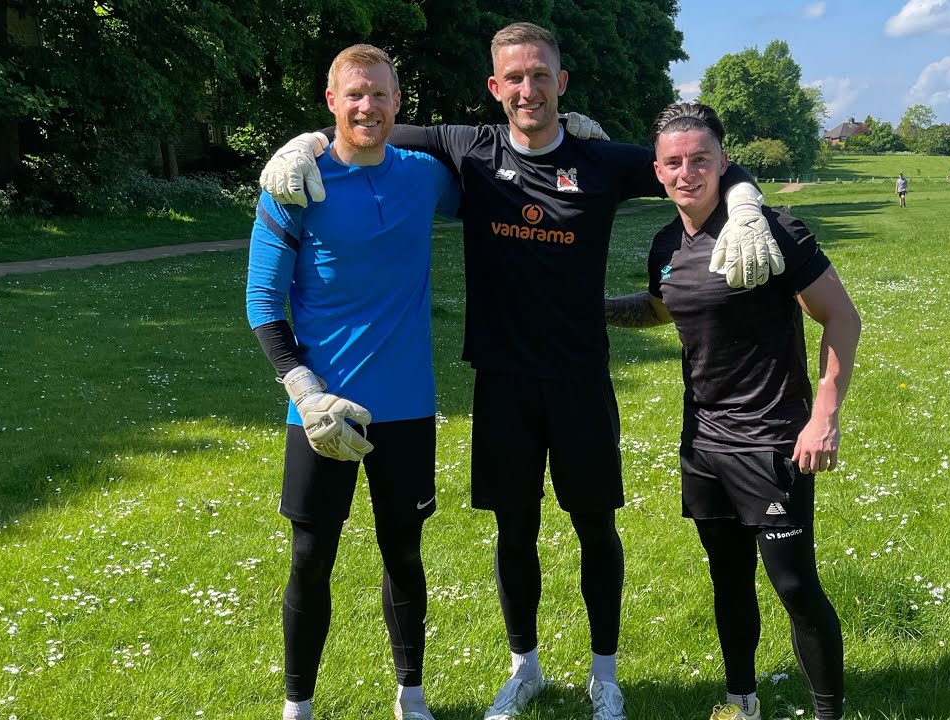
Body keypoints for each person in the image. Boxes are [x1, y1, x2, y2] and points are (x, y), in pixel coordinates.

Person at [257, 22, 786, 720]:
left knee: (595, 529)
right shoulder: (468, 148)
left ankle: (605, 675)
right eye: (515, 77)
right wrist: (304, 143)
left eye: (541, 76)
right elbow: (366, 124)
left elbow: (705, 161)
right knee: (514, 532)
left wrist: (744, 204)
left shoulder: (600, 160)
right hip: (502, 380)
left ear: (561, 84)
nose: (528, 88)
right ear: (495, 88)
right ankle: (525, 667)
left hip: (580, 378)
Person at [604, 103, 860, 720]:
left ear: (723, 161)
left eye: (699, 159)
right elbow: (666, 307)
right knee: (728, 580)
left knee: (795, 585)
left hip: (773, 438)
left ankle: (828, 712)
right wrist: (599, 308)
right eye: (674, 162)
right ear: (658, 172)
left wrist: (824, 414)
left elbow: (841, 317)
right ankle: (741, 699)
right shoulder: (667, 242)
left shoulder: (771, 231)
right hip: (704, 442)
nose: (686, 172)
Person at [245, 44, 460, 720]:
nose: (368, 106)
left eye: (380, 95)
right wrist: (302, 389)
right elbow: (261, 299)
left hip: (406, 407)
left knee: (404, 551)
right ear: (332, 101)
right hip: (322, 410)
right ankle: (298, 704)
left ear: (399, 103)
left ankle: (411, 695)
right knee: (311, 556)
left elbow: (506, 168)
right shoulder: (294, 183)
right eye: (354, 94)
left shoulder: (424, 176)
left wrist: (568, 136)